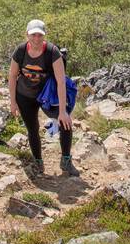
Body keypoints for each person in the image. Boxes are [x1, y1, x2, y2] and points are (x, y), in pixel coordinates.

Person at [9, 19, 78, 177]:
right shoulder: (20, 51)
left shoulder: (52, 52)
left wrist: (62, 111)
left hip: (47, 96)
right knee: (32, 129)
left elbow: (61, 81)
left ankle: (66, 160)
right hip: (24, 96)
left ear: (44, 36)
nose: (37, 39)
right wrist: (13, 102)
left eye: (40, 35)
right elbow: (12, 76)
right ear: (27, 35)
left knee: (65, 122)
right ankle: (38, 161)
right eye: (33, 35)